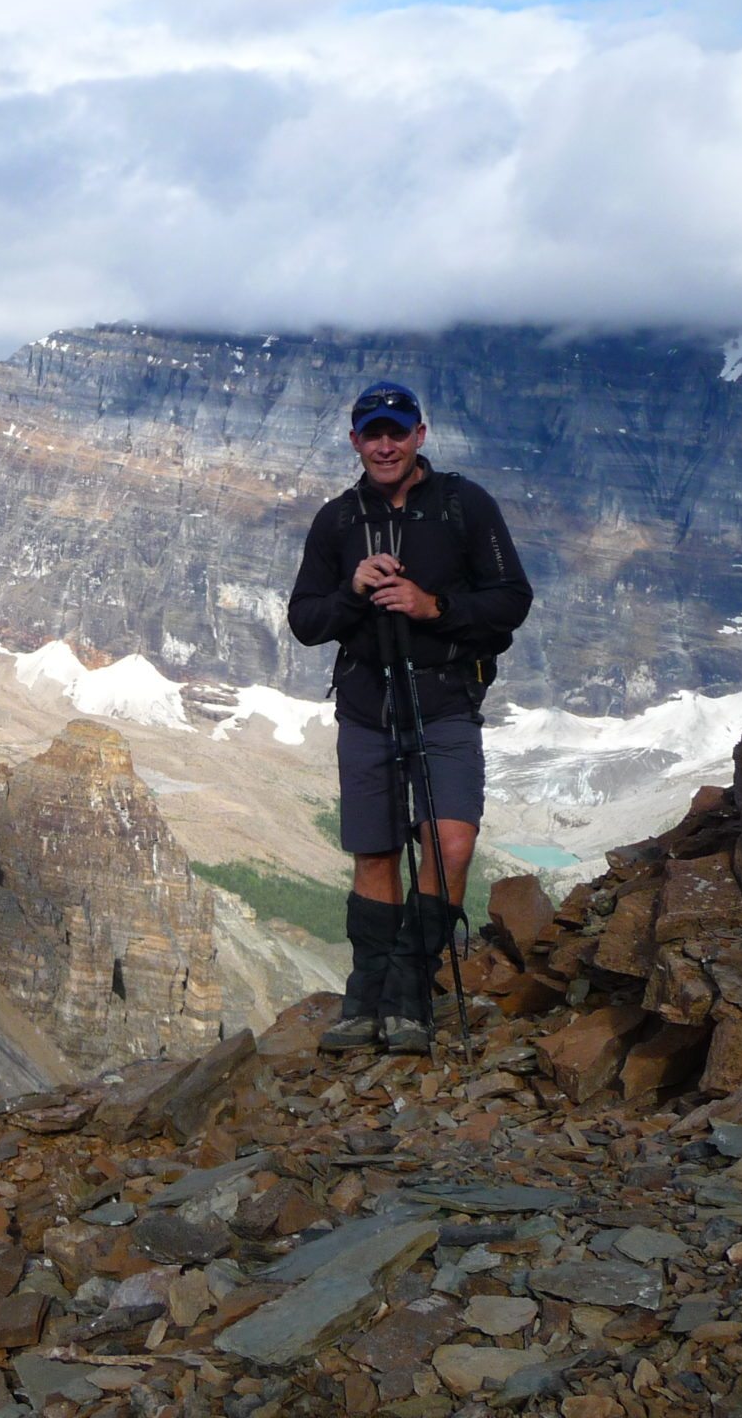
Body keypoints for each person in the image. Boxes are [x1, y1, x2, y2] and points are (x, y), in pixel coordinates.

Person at [287, 381, 532, 1054]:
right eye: (373, 433)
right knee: (376, 851)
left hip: (446, 698)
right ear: (356, 441)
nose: (385, 444)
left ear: (420, 435)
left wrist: (435, 608)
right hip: (368, 705)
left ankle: (410, 989)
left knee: (451, 843)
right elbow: (305, 621)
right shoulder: (338, 522)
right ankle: (366, 1001)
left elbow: (512, 597)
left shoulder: (462, 505)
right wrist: (352, 591)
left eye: (397, 431)